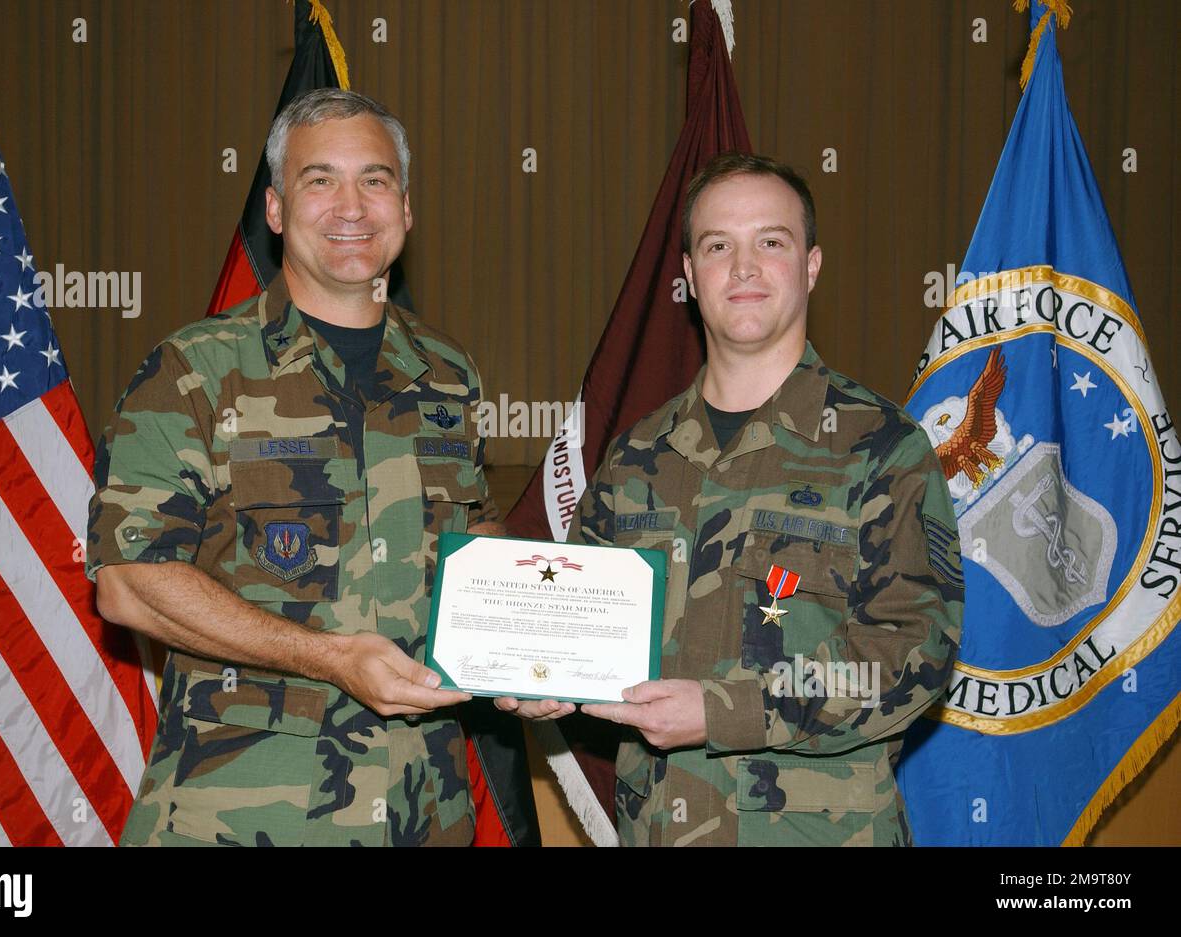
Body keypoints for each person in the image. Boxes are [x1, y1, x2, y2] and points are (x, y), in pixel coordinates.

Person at [498, 152, 965, 846]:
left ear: (810, 266)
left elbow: (914, 656)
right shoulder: (634, 458)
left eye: (770, 242)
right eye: (718, 246)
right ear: (688, 276)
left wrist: (727, 711)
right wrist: (534, 676)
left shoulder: (882, 448)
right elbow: (575, 629)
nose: (743, 268)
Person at [87, 88, 499, 846]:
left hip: (424, 813)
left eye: (375, 179)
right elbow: (128, 583)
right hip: (247, 816)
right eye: (321, 180)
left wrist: (531, 655)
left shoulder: (447, 374)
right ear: (275, 210)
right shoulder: (194, 371)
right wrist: (331, 658)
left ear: (406, 209)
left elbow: (473, 540)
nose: (352, 205)